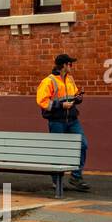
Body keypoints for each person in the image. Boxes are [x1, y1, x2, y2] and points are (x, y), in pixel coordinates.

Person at [36, 53, 90, 192]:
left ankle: (76, 177)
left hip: (72, 120)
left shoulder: (70, 79)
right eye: (70, 64)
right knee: (58, 151)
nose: (72, 66)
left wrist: (78, 98)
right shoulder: (49, 81)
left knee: (82, 145)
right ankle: (56, 181)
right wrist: (60, 106)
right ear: (64, 65)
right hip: (57, 121)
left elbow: (74, 94)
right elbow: (42, 101)